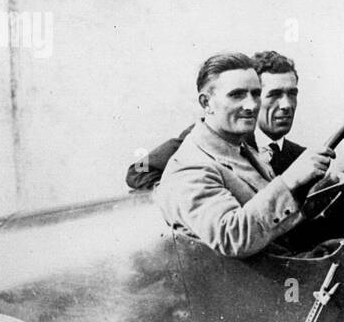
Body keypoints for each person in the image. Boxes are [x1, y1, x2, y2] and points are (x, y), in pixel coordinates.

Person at [153, 51, 333, 258]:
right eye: (236, 95)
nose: (251, 105)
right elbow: (231, 237)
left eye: (256, 94)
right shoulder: (191, 167)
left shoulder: (239, 147)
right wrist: (290, 180)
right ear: (206, 103)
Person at [127, 50, 306, 190]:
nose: (286, 105)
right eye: (274, 95)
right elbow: (139, 169)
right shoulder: (211, 136)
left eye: (292, 94)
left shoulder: (301, 158)